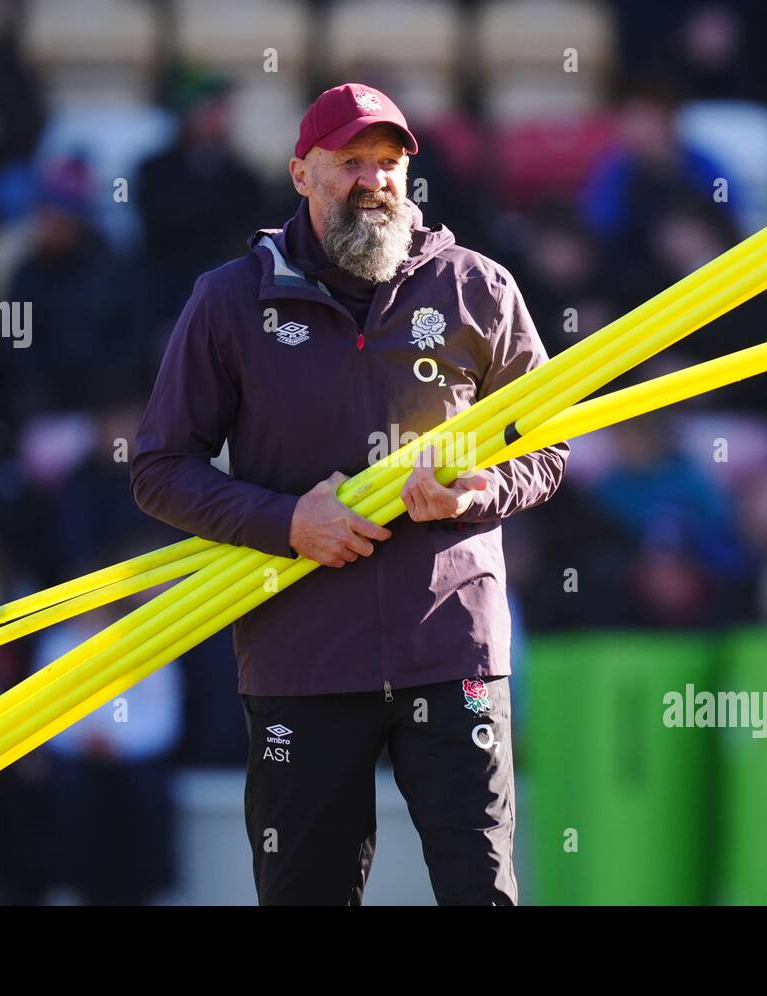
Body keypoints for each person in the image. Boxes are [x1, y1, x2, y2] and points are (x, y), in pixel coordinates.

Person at [131, 82, 568, 905]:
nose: (374, 181)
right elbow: (158, 469)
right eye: (350, 163)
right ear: (302, 174)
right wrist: (287, 520)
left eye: (390, 163)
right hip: (301, 655)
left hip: (452, 647)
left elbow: (548, 449)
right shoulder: (229, 298)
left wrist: (479, 493)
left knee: (485, 892)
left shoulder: (479, 288)